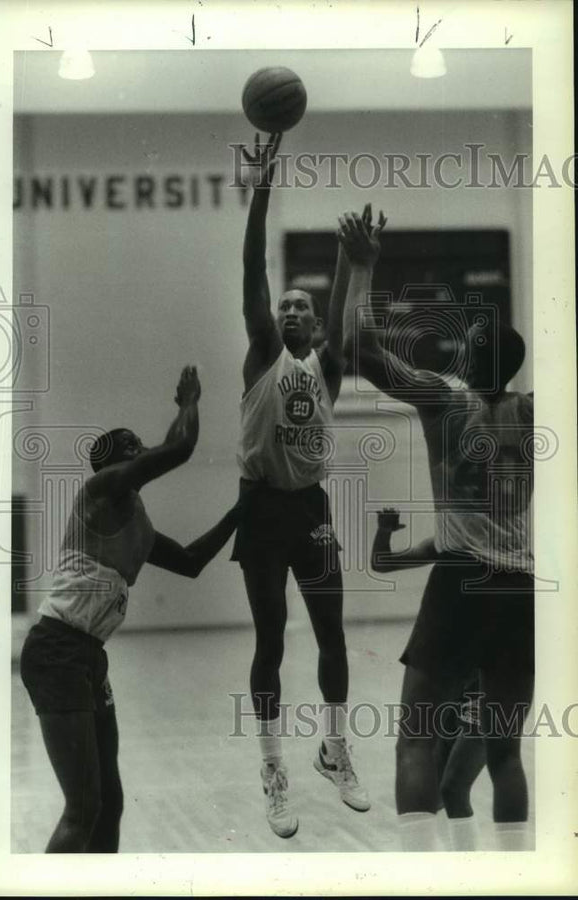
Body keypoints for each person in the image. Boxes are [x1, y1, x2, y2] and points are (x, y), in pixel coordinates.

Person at [339, 210, 534, 851]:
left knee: (417, 736)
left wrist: (364, 267)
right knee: (504, 752)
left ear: (472, 353)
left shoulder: (447, 398)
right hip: (522, 587)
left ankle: (422, 876)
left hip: (461, 579)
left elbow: (360, 352)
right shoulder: (534, 413)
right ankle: (512, 877)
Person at [20, 366, 243, 852]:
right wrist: (189, 401)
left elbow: (189, 561)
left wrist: (240, 511)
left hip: (89, 656)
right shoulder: (100, 493)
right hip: (56, 651)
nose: (144, 451)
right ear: (119, 462)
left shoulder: (137, 519)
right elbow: (178, 449)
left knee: (110, 803)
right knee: (81, 808)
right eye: (135, 446)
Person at [232, 133, 370, 838]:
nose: (288, 311)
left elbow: (346, 313)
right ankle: (273, 769)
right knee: (270, 641)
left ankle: (336, 747)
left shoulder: (327, 368)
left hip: (310, 509)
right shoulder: (261, 353)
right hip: (261, 512)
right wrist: (261, 187)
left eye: (300, 308)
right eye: (282, 305)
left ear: (313, 328)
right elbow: (253, 264)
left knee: (332, 636)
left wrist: (349, 257)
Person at [372, 508, 486, 850]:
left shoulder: (478, 548)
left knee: (447, 784)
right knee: (446, 788)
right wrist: (384, 532)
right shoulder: (455, 544)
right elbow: (382, 561)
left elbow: (381, 563)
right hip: (466, 655)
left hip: (471, 658)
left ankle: (453, 871)